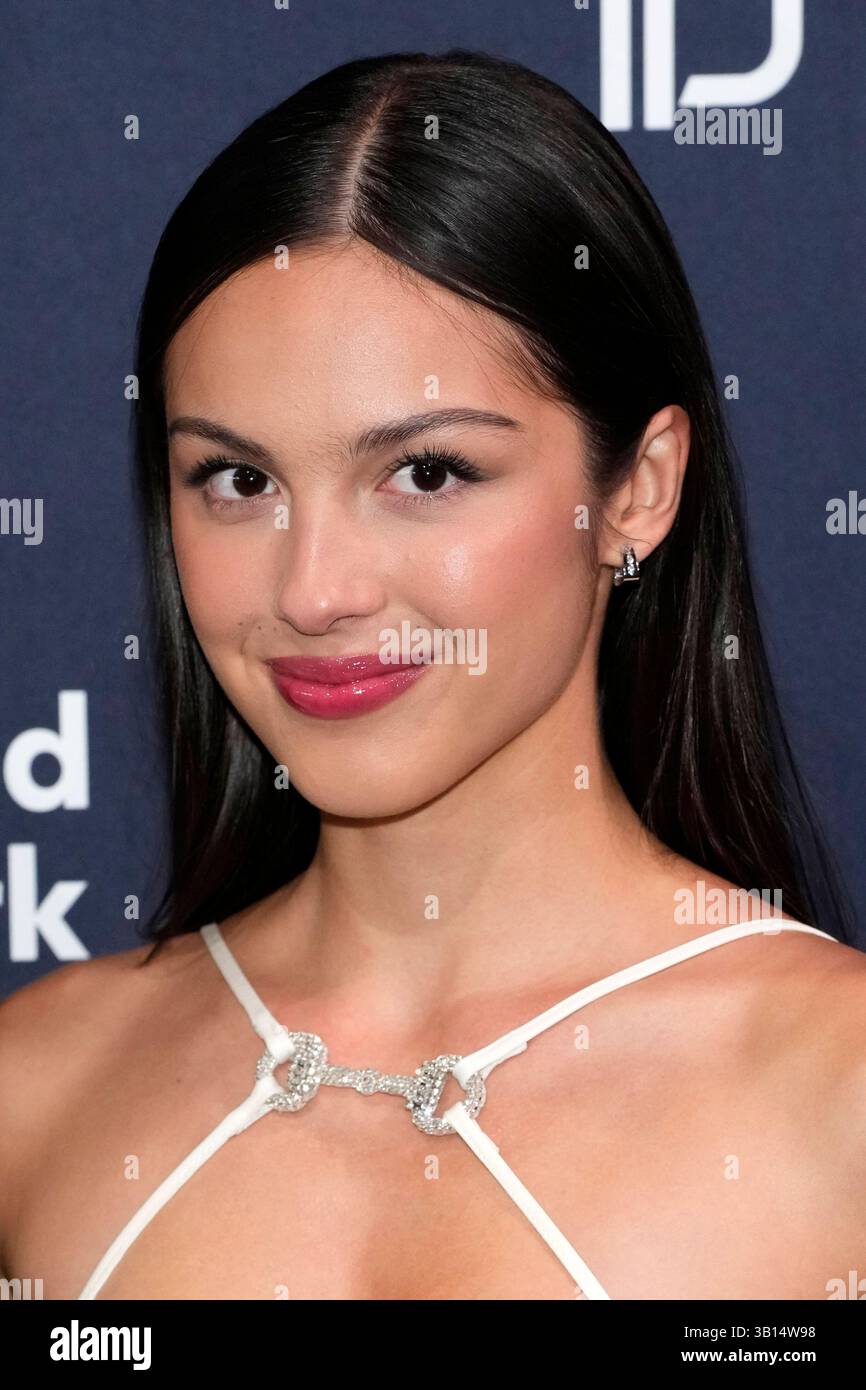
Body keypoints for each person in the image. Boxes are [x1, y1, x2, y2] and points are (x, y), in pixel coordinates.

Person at [1, 49, 863, 1302]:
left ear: (637, 487)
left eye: (427, 473)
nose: (312, 590)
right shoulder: (39, 1089)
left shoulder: (836, 1096)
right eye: (237, 481)